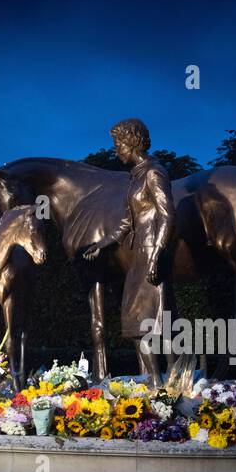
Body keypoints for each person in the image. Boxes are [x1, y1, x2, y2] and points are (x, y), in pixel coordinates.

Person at [82, 118, 177, 375]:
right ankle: (156, 379)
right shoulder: (135, 177)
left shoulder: (154, 172)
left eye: (118, 145)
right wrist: (102, 243)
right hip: (139, 254)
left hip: (151, 251)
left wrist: (157, 254)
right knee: (144, 321)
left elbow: (167, 215)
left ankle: (167, 379)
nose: (116, 151)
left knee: (153, 320)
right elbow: (127, 220)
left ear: (132, 142)